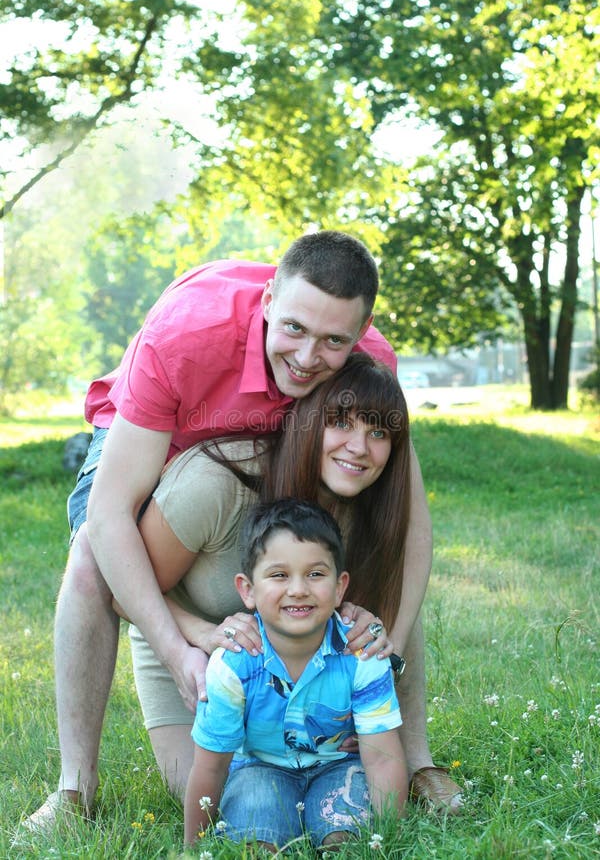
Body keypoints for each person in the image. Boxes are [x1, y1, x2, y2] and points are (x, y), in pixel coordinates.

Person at [23, 230, 460, 834]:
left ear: (359, 337)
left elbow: (409, 525)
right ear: (267, 301)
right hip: (163, 436)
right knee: (94, 560)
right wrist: (186, 644)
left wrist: (389, 642)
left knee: (364, 552)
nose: (309, 357)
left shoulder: (368, 361)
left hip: (273, 449)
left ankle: (418, 764)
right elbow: (107, 514)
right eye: (295, 330)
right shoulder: (183, 337)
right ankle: (74, 789)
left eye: (334, 341)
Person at [131, 353, 413, 800]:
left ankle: (421, 764)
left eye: (378, 432)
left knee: (344, 806)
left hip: (309, 669)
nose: (359, 447)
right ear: (306, 421)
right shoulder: (215, 481)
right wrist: (199, 637)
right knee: (218, 800)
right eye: (341, 423)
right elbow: (121, 589)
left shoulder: (370, 502)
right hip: (197, 662)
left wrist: (365, 624)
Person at [184, 498, 408, 850]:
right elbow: (211, 768)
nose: (299, 589)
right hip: (259, 769)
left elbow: (382, 758)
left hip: (339, 765)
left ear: (339, 587)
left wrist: (389, 842)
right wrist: (191, 849)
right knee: (254, 843)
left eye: (316, 574)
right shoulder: (232, 666)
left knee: (347, 840)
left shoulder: (363, 653)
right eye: (279, 575)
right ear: (247, 590)